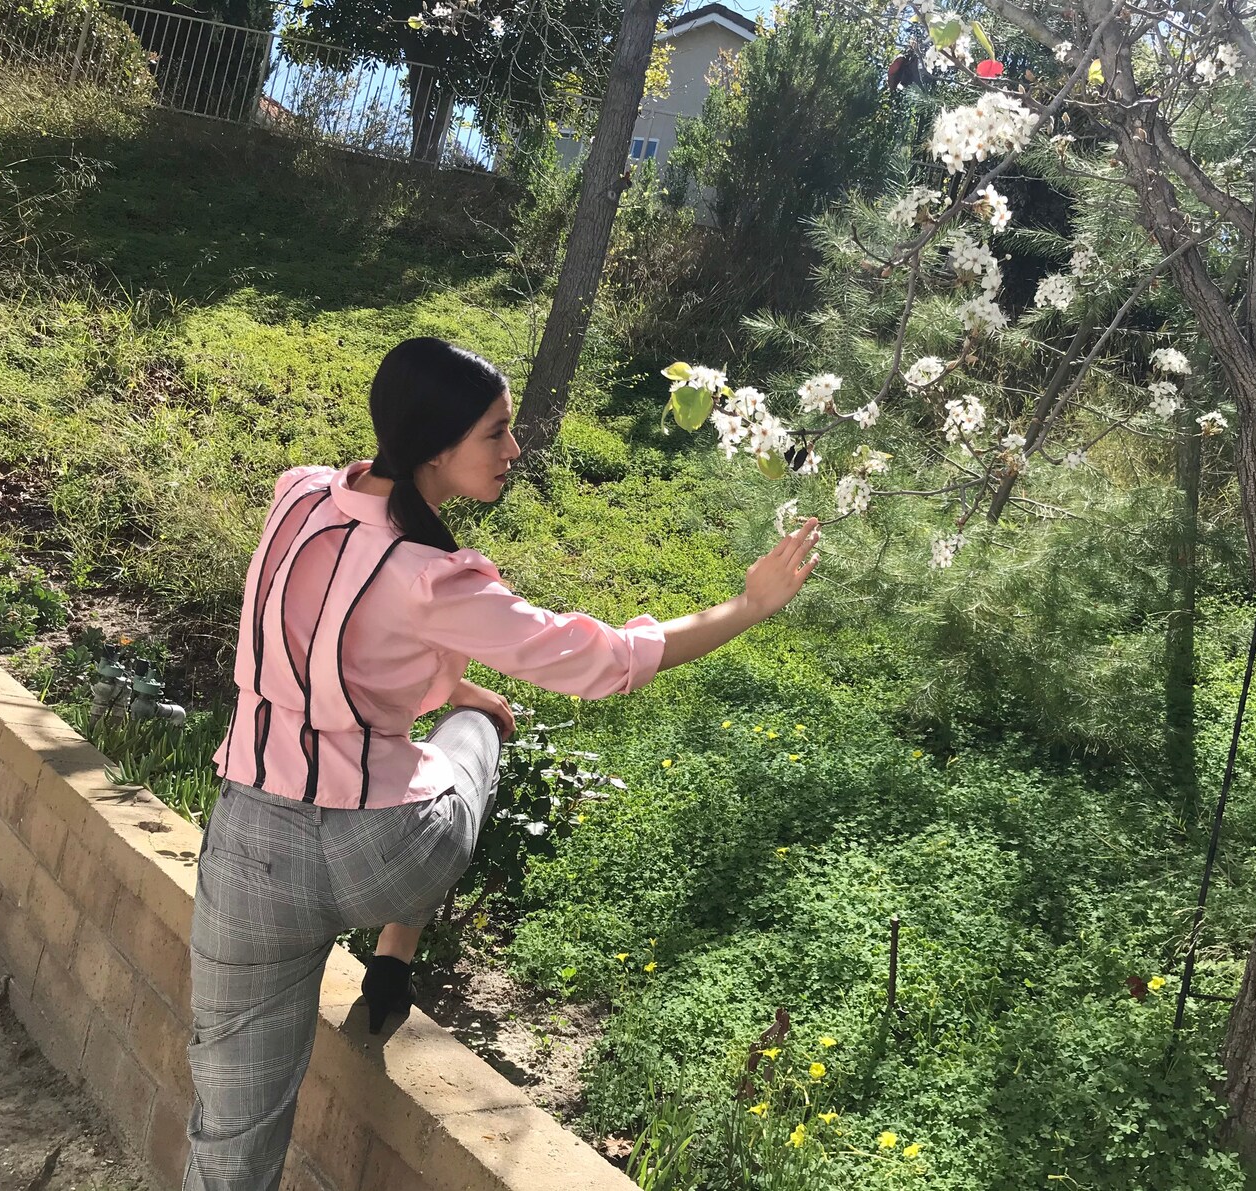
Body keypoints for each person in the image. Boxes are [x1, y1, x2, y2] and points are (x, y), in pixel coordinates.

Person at [183, 337, 821, 1190]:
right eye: (498, 432)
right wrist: (746, 605)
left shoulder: (296, 495)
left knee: (226, 1142)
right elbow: (602, 658)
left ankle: (394, 949)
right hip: (382, 853)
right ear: (438, 446)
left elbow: (339, 629)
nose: (515, 450)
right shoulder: (435, 577)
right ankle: (395, 950)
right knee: (477, 734)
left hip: (249, 849)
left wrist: (454, 682)